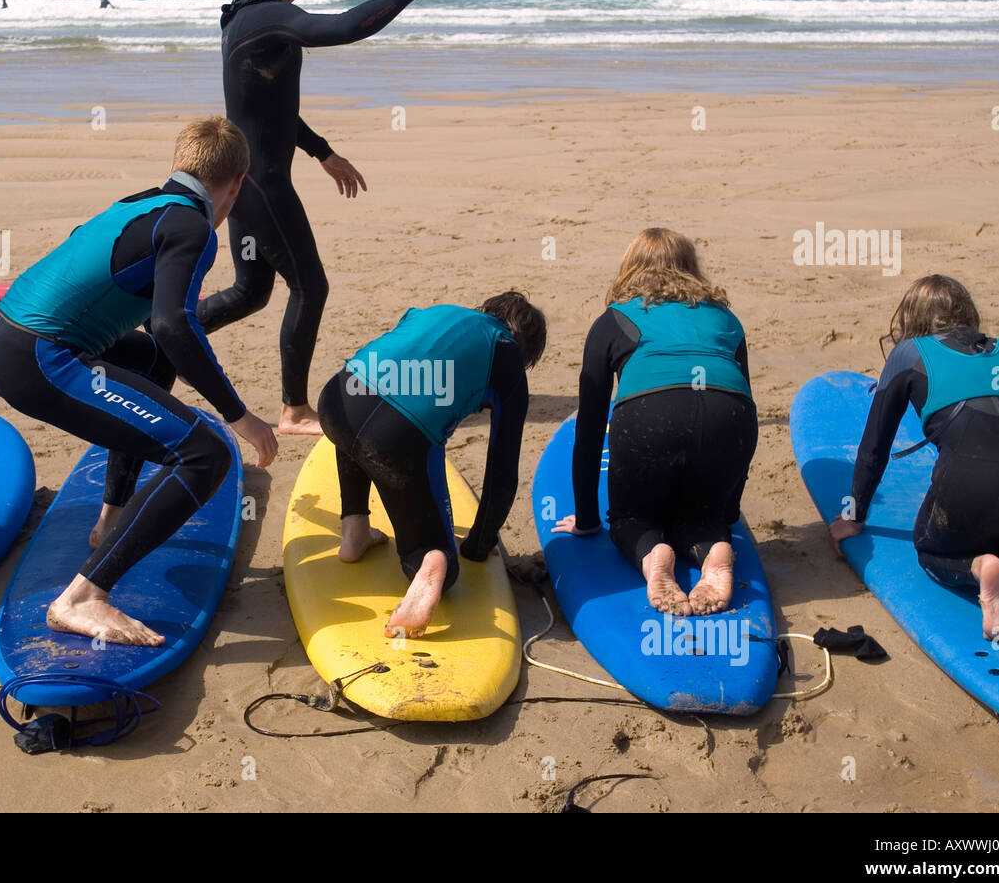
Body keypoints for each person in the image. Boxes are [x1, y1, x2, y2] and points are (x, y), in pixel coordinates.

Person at [0, 117, 278, 647]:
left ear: (177, 166)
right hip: (41, 357)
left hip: (6, 334)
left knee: (149, 361)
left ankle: (109, 517)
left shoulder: (137, 204)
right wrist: (240, 416)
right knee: (207, 452)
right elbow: (173, 323)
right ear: (236, 184)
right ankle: (81, 598)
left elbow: (146, 321)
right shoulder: (192, 228)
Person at [201, 0, 449, 436]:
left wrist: (321, 151)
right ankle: (293, 410)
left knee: (249, 293)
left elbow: (267, 107)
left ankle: (158, 336)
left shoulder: (251, 13)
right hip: (261, 183)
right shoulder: (265, 16)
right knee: (309, 287)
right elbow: (343, 27)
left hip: (246, 182)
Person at [828, 275, 999, 641]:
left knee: (930, 548)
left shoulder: (910, 353)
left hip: (971, 483)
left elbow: (874, 447)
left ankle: (982, 567)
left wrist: (852, 516)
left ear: (911, 320)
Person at [552, 228, 757, 617]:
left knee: (632, 517)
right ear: (691, 268)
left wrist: (588, 518)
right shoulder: (727, 319)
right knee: (701, 515)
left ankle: (654, 555)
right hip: (729, 419)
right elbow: (745, 402)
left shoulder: (613, 319)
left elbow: (591, 426)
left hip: (651, 418)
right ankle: (714, 549)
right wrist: (726, 512)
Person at [318, 291, 546, 638]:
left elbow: (384, 373)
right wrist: (478, 546)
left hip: (337, 399)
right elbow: (502, 470)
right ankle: (432, 560)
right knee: (443, 565)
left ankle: (354, 531)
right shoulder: (507, 356)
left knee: (358, 429)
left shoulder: (434, 310)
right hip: (396, 437)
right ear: (525, 348)